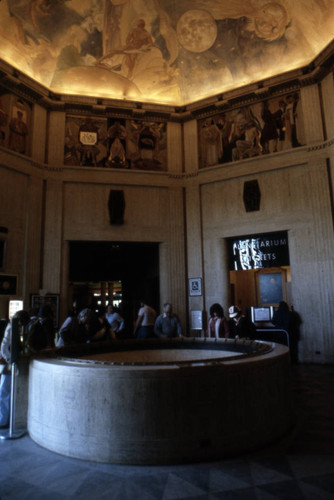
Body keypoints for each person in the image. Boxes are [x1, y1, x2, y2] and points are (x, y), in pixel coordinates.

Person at [0, 310, 30, 429]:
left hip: (8, 365)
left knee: (5, 392)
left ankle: (3, 420)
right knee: (4, 392)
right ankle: (2, 420)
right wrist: (10, 360)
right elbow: (3, 347)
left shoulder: (12, 327)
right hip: (7, 366)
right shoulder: (11, 327)